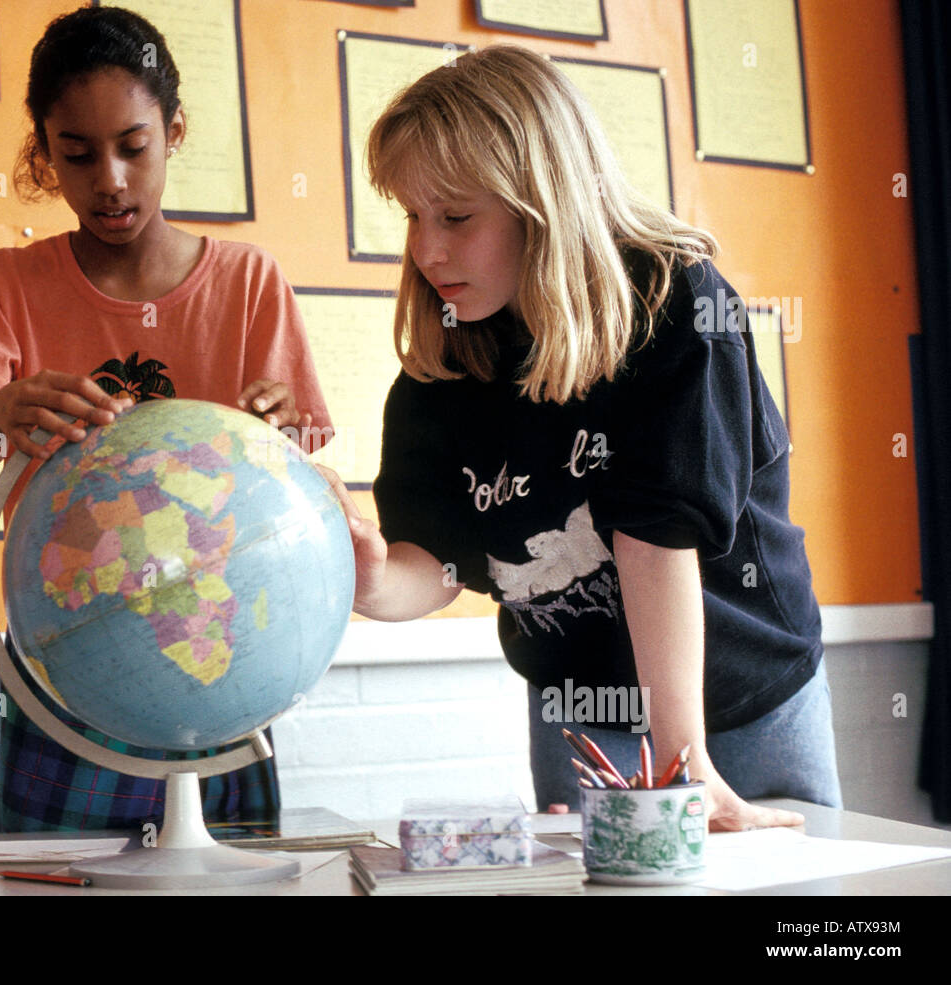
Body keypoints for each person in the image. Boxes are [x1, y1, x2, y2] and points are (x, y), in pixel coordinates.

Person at [319, 45, 841, 831]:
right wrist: (370, 578)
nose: (427, 250)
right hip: (582, 706)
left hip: (746, 696)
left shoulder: (675, 306)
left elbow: (654, 539)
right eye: (413, 216)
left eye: (456, 216)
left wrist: (682, 760)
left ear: (544, 201)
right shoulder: (443, 368)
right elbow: (442, 560)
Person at [0, 7, 331, 832]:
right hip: (72, 646)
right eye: (76, 154)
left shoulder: (251, 282)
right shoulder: (3, 280)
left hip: (216, 651)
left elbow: (305, 471)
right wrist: (3, 408)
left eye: (133, 146)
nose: (109, 178)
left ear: (175, 130)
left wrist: (279, 431)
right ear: (45, 152)